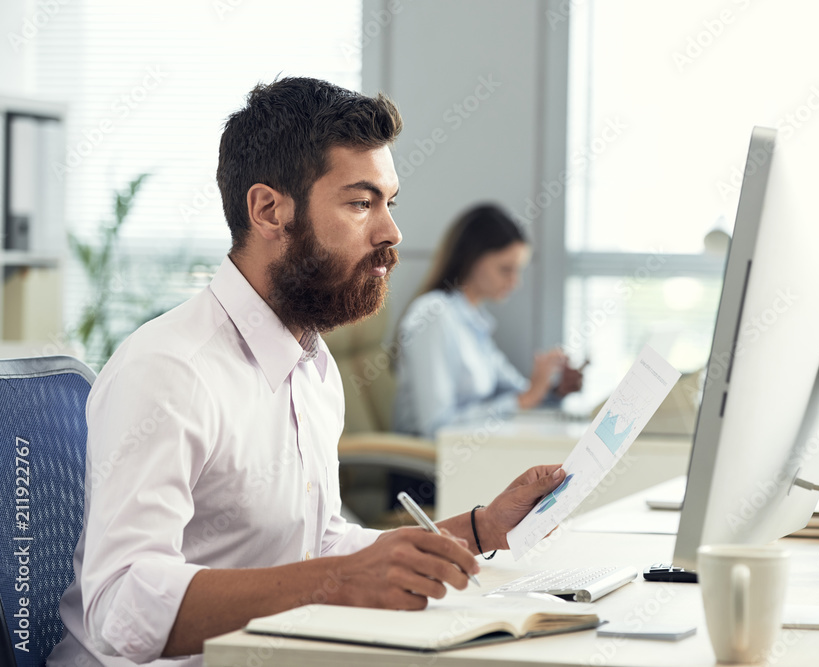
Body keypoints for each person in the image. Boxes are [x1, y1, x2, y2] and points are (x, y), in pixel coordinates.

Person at [47, 78, 566, 667]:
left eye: (389, 203)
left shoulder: (313, 364)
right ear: (269, 210)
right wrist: (338, 581)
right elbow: (120, 607)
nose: (392, 233)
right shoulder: (169, 370)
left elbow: (316, 545)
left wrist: (477, 530)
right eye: (360, 203)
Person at [393, 204, 584, 439]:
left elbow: (516, 390)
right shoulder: (433, 316)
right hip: (427, 468)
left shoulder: (474, 320)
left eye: (518, 270)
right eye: (505, 270)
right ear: (472, 260)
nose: (515, 282)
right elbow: (437, 427)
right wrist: (522, 401)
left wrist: (552, 389)